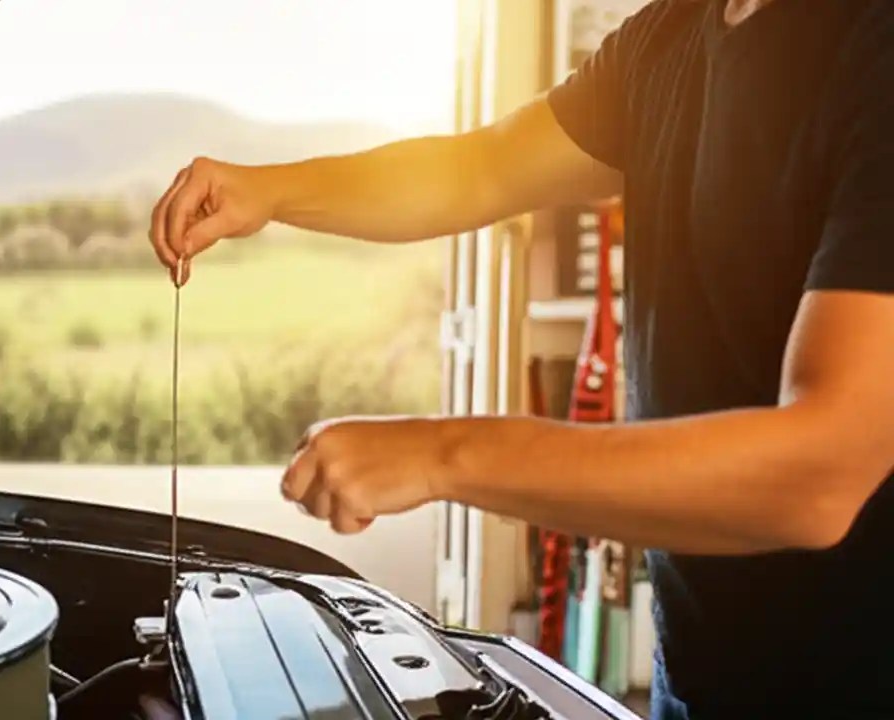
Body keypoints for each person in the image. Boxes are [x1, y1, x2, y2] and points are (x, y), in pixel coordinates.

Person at [147, 1, 894, 717]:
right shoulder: (670, 33)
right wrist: (274, 191)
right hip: (702, 665)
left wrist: (443, 453)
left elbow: (822, 469)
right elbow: (483, 168)